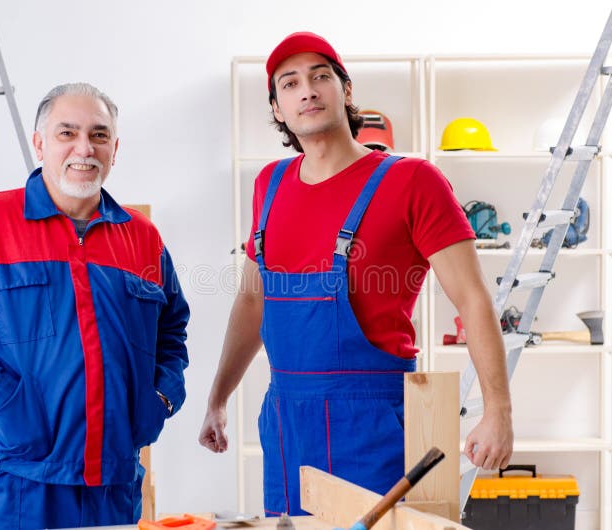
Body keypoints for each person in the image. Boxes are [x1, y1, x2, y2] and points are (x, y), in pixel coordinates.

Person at [198, 32, 513, 515]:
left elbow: (472, 298)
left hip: (373, 426)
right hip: (286, 422)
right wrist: (218, 398)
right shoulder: (270, 184)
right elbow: (252, 300)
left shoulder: (412, 181)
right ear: (278, 109)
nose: (307, 90)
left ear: (345, 91)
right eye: (290, 83)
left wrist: (498, 411)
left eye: (321, 76)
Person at [0, 82, 190, 529]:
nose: (85, 147)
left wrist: (162, 396)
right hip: (20, 478)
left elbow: (172, 329)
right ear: (40, 143)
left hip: (113, 478)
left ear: (115, 149)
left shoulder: (142, 237)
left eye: (99, 135)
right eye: (67, 133)